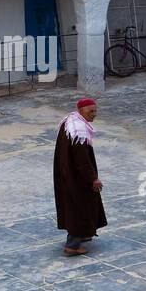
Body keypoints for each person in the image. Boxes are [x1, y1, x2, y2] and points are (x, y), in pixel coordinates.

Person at [54, 98, 107, 255]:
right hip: (76, 178)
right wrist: (93, 179)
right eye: (90, 111)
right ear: (81, 111)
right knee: (80, 208)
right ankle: (73, 245)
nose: (94, 114)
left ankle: (84, 234)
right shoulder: (79, 133)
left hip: (67, 174)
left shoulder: (70, 122)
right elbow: (82, 161)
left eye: (95, 111)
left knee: (75, 206)